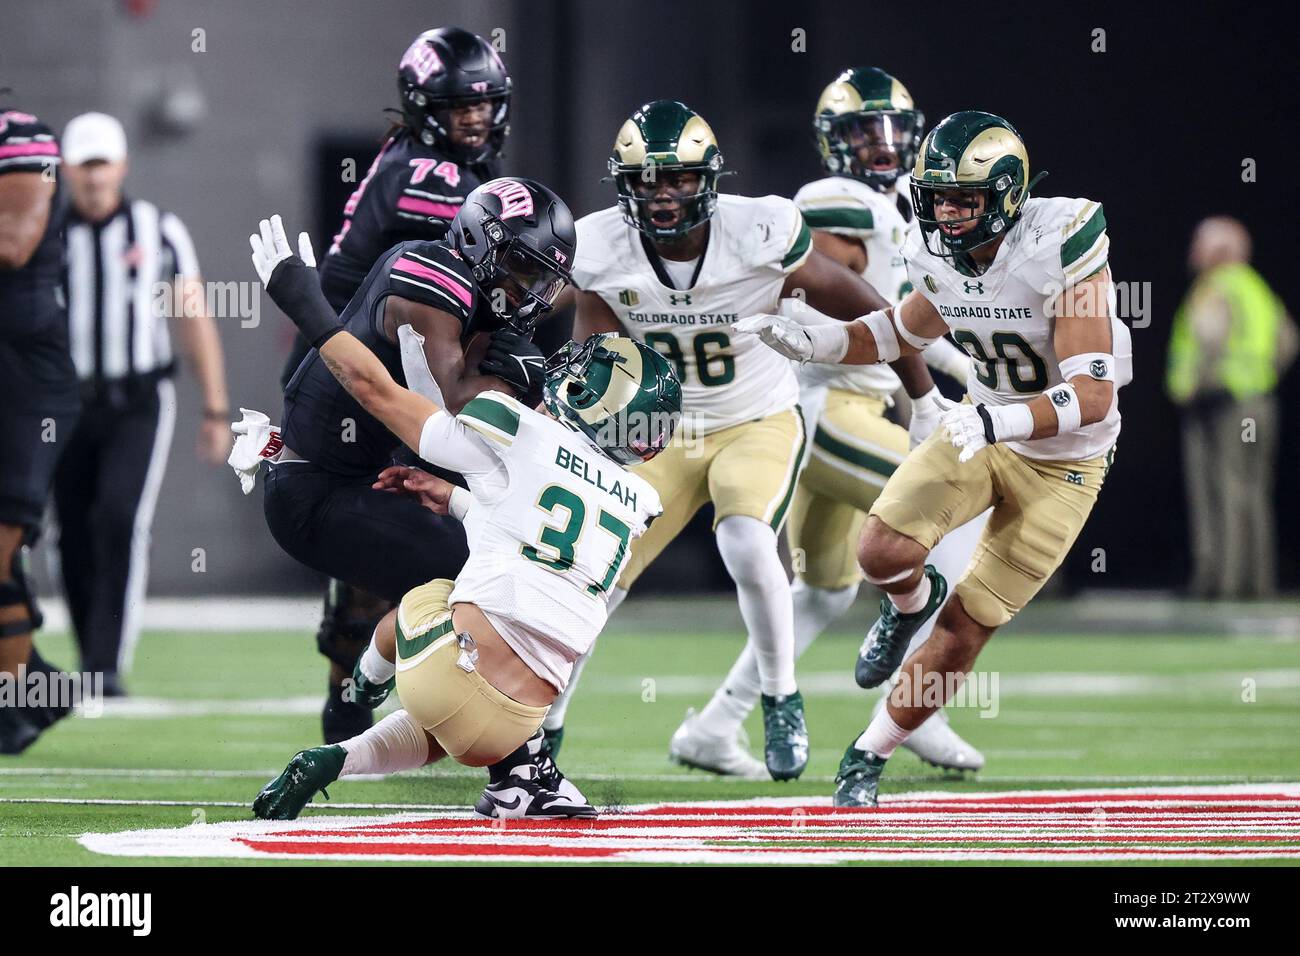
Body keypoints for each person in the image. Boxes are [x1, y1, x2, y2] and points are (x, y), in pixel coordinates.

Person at [735, 111, 1132, 806]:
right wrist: (819, 343)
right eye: (938, 196)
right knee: (880, 551)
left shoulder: (1059, 241)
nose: (947, 212)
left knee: (965, 631)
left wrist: (997, 418)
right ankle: (907, 604)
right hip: (984, 426)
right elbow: (899, 329)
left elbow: (1093, 395)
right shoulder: (940, 251)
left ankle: (868, 755)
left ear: (1007, 196)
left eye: (964, 199)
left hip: (1061, 461)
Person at [554, 99, 940, 782]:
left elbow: (865, 305)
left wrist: (924, 393)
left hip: (755, 417)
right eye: (645, 181)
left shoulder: (760, 229)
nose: (661, 195)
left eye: (675, 179)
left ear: (708, 179)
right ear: (623, 184)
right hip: (657, 432)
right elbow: (593, 336)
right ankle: (542, 733)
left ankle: (779, 696)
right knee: (596, 577)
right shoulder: (598, 244)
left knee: (744, 538)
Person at [248, 214, 679, 819]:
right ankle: (516, 774)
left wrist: (307, 305)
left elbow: (382, 392)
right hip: (520, 715)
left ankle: (364, 683)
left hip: (439, 661)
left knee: (441, 595)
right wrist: (451, 497)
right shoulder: (640, 503)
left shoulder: (520, 432)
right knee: (463, 716)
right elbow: (525, 531)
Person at [674, 68, 987, 777]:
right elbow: (841, 301)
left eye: (891, 130)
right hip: (824, 408)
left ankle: (713, 728)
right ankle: (921, 705)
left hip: (847, 409)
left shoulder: (904, 207)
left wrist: (968, 371)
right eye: (861, 131)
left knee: (824, 590)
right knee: (961, 503)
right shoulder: (833, 203)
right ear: (831, 143)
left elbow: (894, 319)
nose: (880, 145)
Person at [282, 26, 513, 743]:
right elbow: (486, 264)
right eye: (458, 107)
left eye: (484, 105)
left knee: (405, 541)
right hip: (363, 370)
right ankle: (375, 678)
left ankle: (357, 681)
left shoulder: (438, 162)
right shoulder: (431, 176)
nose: (474, 118)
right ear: (422, 108)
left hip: (376, 357)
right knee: (423, 543)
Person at [55, 112, 231, 695]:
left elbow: (193, 316)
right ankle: (89, 654)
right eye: (84, 164)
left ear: (122, 166)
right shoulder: (43, 233)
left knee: (118, 518)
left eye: (103, 163)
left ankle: (106, 665)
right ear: (67, 169)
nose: (94, 176)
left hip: (137, 400)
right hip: (63, 404)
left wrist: (215, 408)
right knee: (71, 531)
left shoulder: (157, 229)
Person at [0, 107, 81, 754]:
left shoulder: (21, 136)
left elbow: (14, 242)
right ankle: (36, 685)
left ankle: (16, 703)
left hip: (28, 381)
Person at [1166, 216, 1296, 599]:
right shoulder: (1256, 288)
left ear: (1221, 251)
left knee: (1218, 494)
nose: (1194, 252)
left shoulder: (1215, 287)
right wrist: (1260, 378)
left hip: (1220, 406)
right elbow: (1287, 338)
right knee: (1250, 494)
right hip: (1258, 402)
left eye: (1201, 244)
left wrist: (1197, 385)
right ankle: (1254, 583)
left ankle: (1220, 584)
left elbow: (1208, 337)